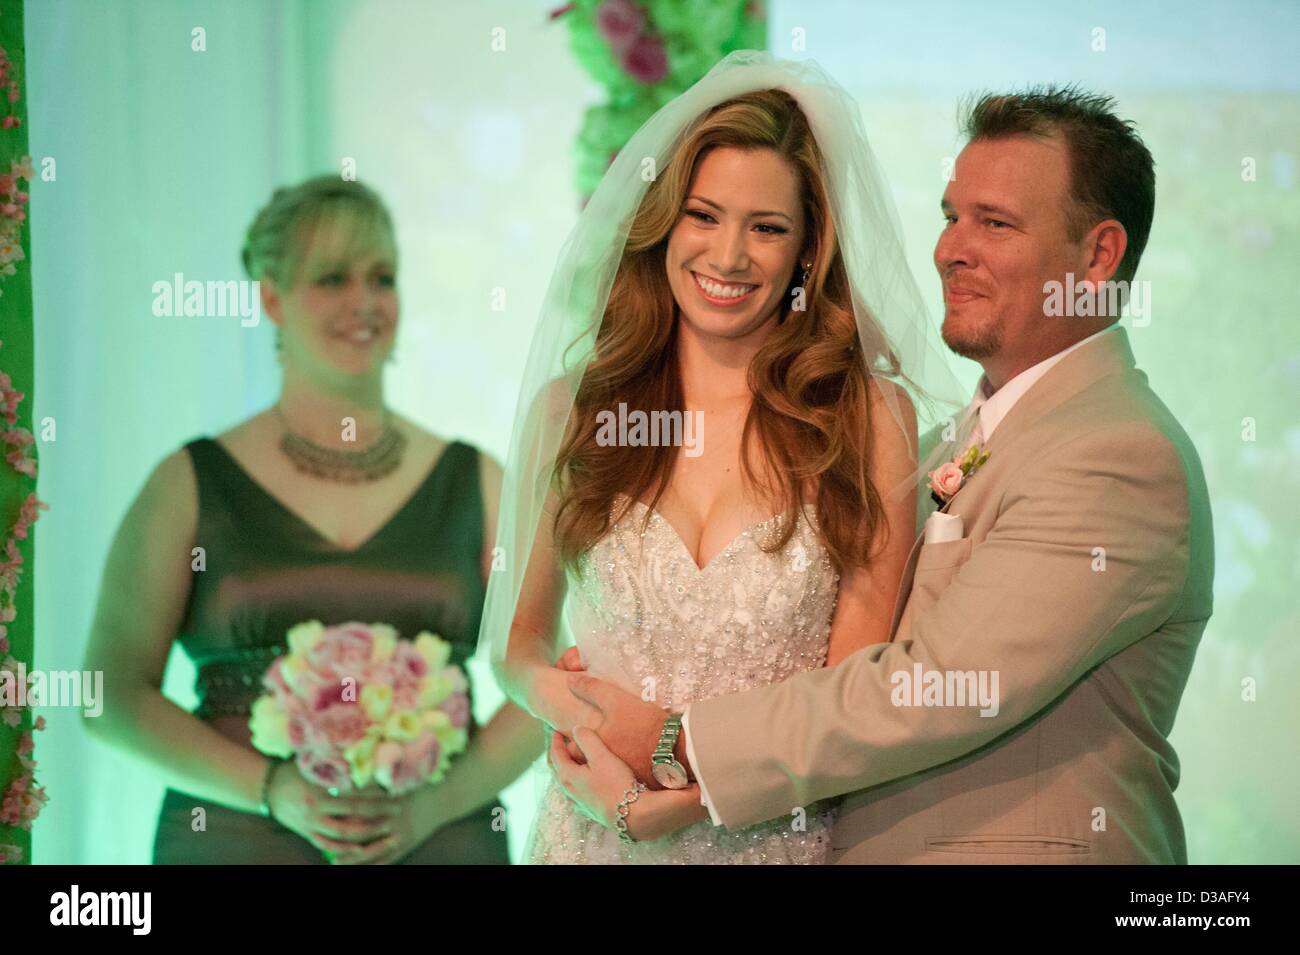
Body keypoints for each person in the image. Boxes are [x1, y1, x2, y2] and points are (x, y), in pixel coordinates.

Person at [555, 85, 1215, 864]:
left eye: (994, 223)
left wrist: (676, 741)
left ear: (1098, 255)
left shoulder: (1116, 455)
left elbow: (934, 688)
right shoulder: (944, 439)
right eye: (950, 216)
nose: (949, 249)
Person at [480, 51, 963, 863]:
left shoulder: (868, 416)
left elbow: (854, 697)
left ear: (808, 251)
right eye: (704, 216)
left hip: (778, 837)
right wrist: (561, 699)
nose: (729, 257)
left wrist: (685, 798)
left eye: (766, 227)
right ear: (664, 220)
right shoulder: (575, 409)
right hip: (589, 830)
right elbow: (517, 644)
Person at [82, 175, 540, 864]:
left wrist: (430, 808)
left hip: (442, 840)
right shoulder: (189, 482)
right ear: (272, 296)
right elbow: (109, 694)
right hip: (237, 838)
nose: (364, 302)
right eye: (332, 278)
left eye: (381, 277)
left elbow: (543, 683)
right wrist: (272, 788)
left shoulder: (478, 480)